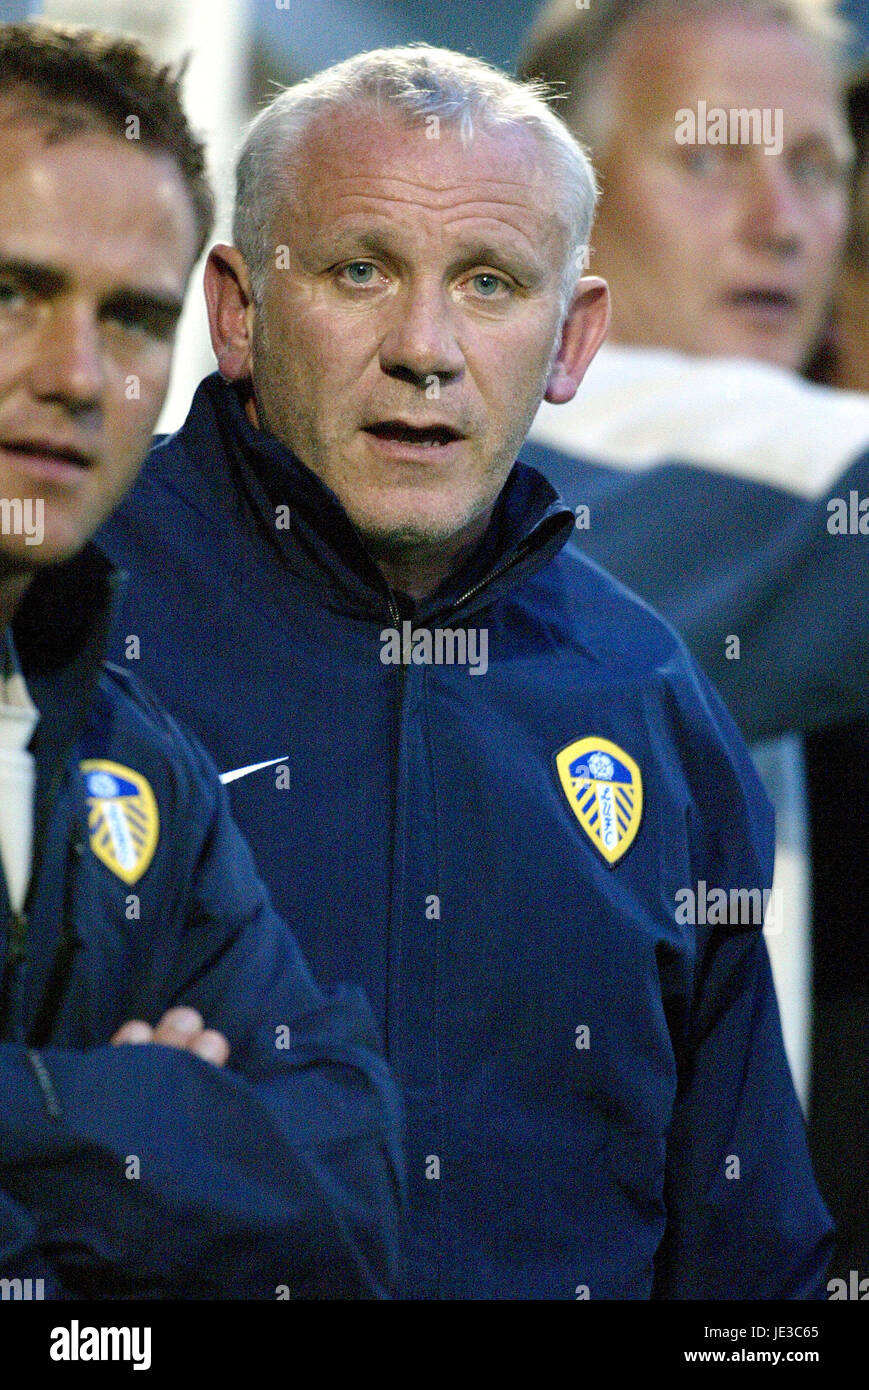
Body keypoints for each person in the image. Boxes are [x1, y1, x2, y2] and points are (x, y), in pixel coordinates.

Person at [100, 42, 832, 1299]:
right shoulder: (62, 620)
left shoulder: (650, 699)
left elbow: (749, 1265)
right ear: (235, 306)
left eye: (489, 283)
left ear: (571, 336)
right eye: (359, 270)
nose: (425, 347)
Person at [0, 22, 402, 1301]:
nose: (73, 374)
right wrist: (152, 1123)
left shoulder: (136, 759)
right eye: (10, 292)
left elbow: (350, 1204)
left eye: (130, 318)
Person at [517, 0, 868, 1275]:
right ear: (547, 197)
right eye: (708, 160)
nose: (781, 224)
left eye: (817, 168)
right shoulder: (537, 459)